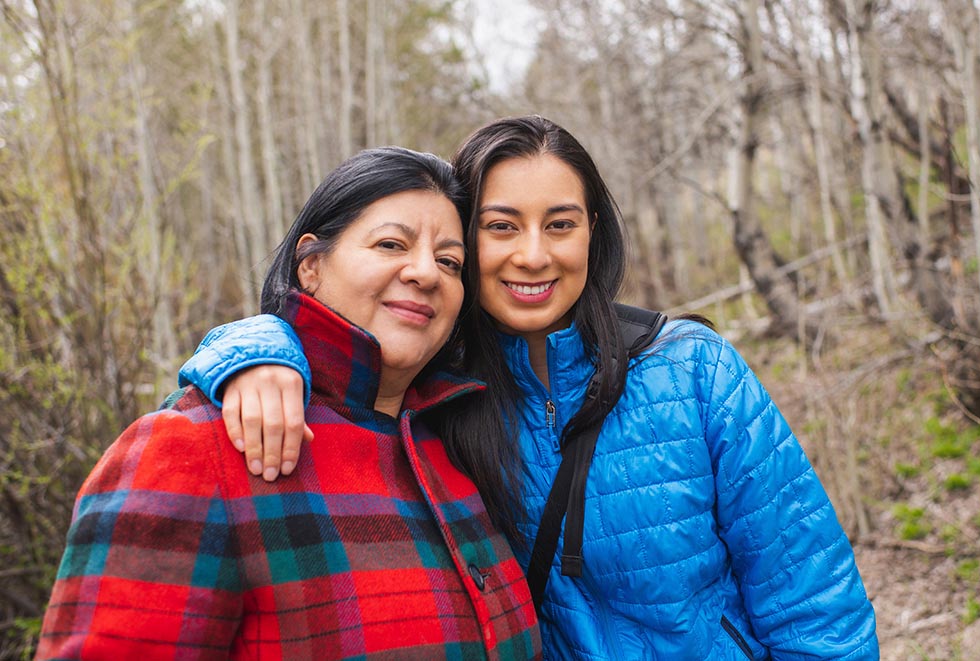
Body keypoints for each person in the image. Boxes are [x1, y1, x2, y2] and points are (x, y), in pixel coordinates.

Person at [175, 117, 879, 659]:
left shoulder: (693, 370)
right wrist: (253, 350)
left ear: (592, 232)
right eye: (501, 227)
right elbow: (337, 357)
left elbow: (814, 601)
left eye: (560, 225)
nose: (533, 255)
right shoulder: (434, 395)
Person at [35, 147, 541, 660]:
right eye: (391, 244)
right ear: (311, 265)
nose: (426, 273)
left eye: (450, 262)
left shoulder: (460, 441)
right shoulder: (195, 450)